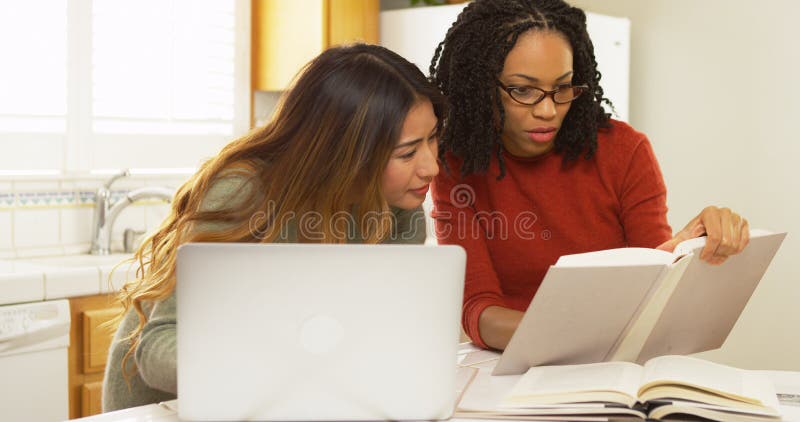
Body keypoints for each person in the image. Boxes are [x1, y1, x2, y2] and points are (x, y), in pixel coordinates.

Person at [102, 43, 445, 411]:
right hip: (168, 407)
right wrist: (279, 370)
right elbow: (157, 350)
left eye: (433, 138)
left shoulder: (400, 211)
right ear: (346, 153)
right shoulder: (243, 194)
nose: (431, 167)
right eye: (407, 152)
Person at [429, 0, 750, 351]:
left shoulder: (625, 151)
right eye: (522, 90)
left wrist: (690, 248)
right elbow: (479, 308)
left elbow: (650, 275)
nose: (548, 110)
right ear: (478, 87)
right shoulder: (455, 166)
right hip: (511, 366)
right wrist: (579, 337)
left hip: (611, 361)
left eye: (563, 87)